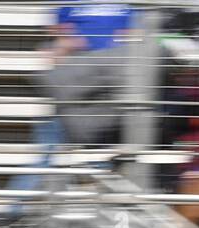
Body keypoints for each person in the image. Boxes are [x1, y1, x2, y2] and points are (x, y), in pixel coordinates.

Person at [44, 4, 134, 146]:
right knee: (62, 111)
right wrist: (69, 40)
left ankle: (100, 159)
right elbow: (57, 30)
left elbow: (137, 30)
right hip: (80, 63)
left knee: (108, 116)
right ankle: (47, 159)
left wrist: (122, 41)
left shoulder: (129, 4)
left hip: (114, 66)